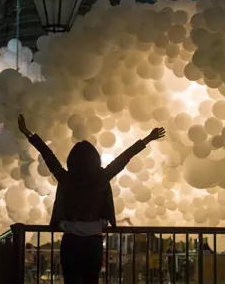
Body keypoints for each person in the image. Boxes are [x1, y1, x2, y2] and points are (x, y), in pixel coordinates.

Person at [18, 114, 165, 284]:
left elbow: (47, 154)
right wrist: (148, 138)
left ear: (72, 160)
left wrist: (27, 132)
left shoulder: (66, 179)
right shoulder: (102, 178)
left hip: (71, 240)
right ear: (95, 160)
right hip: (93, 242)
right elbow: (125, 157)